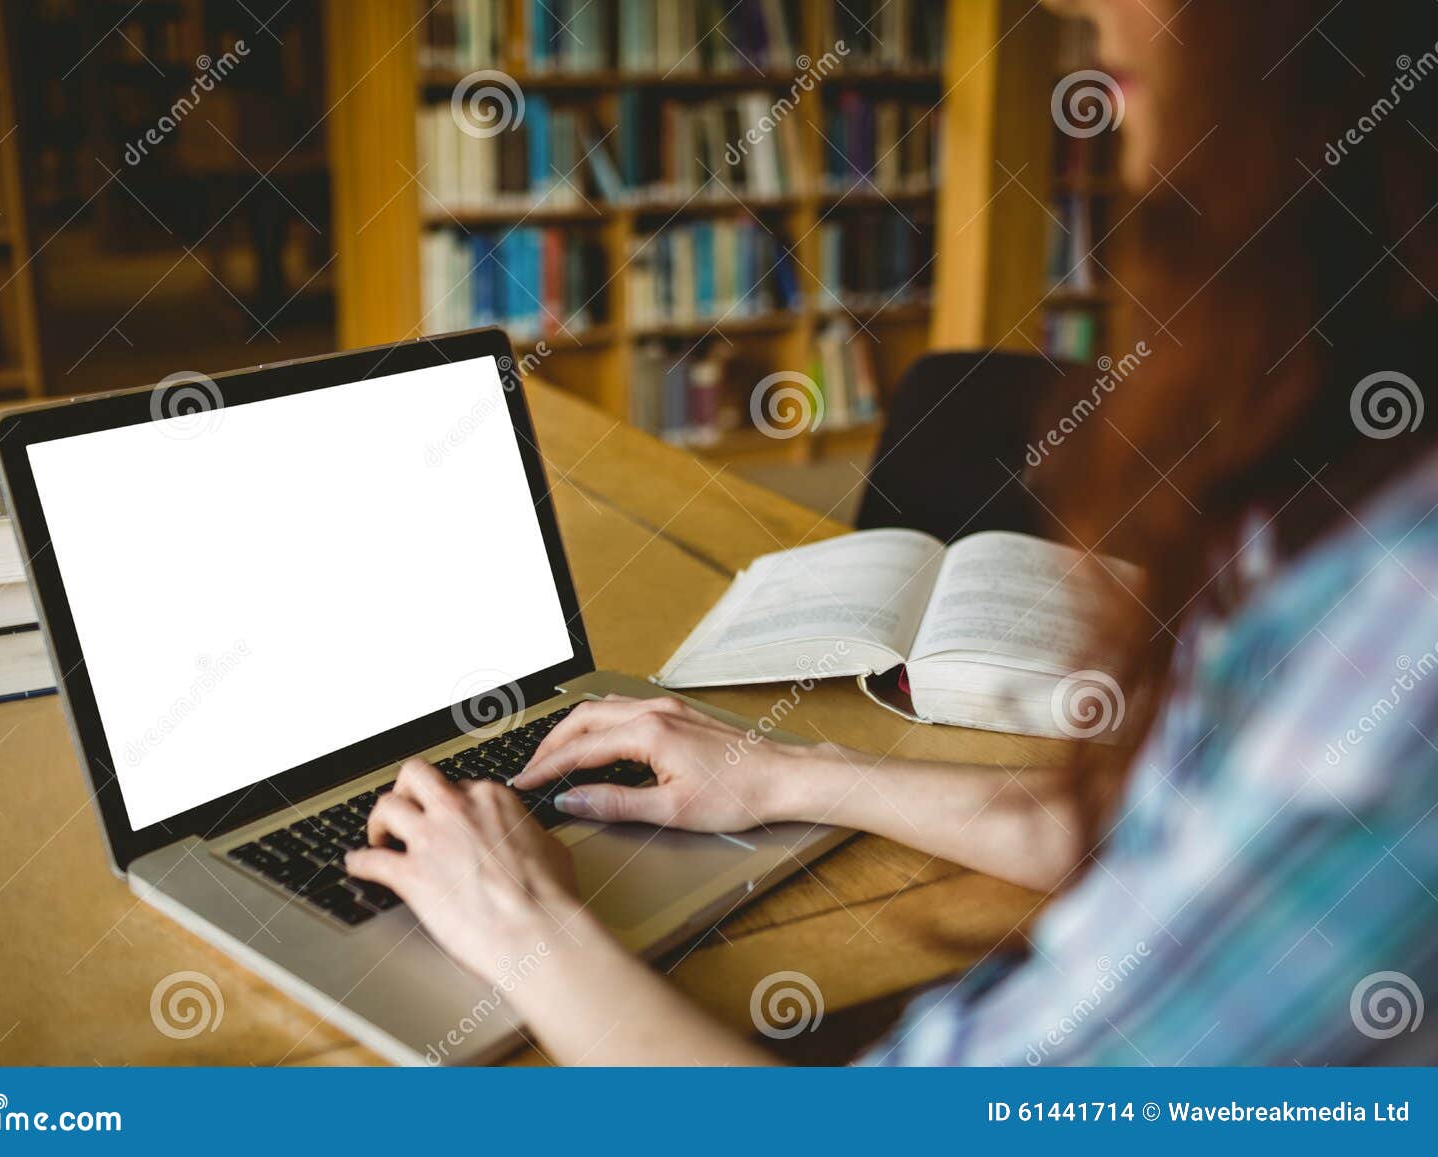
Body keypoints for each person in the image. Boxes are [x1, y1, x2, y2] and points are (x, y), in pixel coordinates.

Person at [345, 0, 1438, 1065]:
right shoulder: (1348, 476)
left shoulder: (1395, 636)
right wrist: (791, 774)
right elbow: (1153, 836)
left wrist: (522, 924)